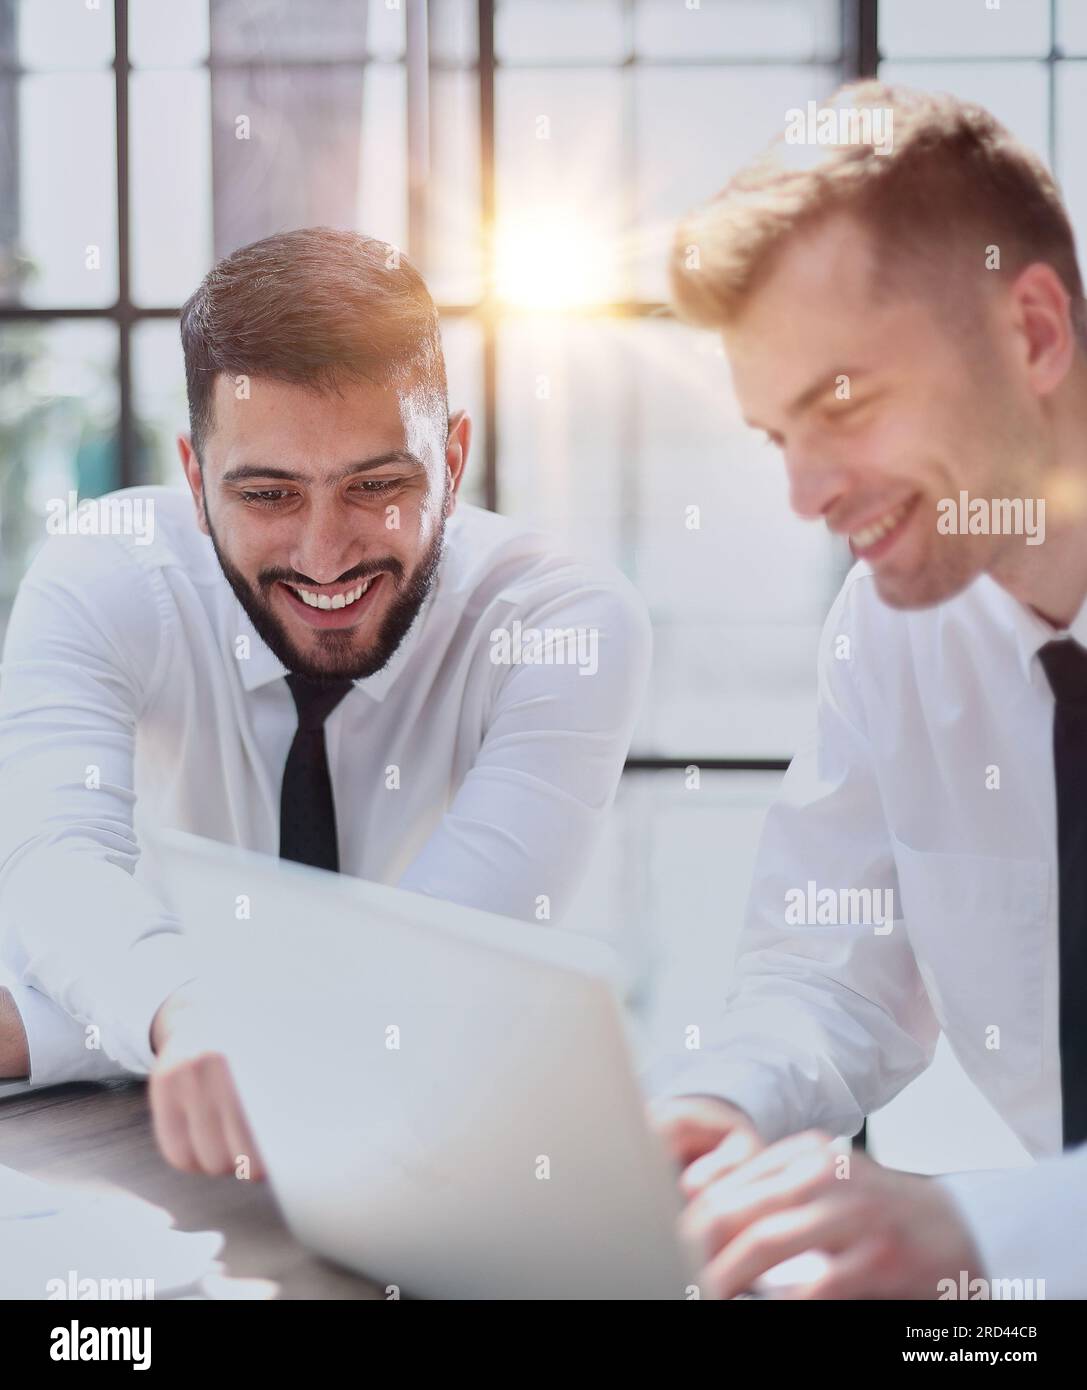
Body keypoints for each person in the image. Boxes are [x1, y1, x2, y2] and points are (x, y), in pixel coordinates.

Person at [0, 227, 651, 1180]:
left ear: (455, 456)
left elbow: (429, 976)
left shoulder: (563, 623)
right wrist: (178, 1014)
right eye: (267, 494)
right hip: (137, 1148)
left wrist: (76, 1016)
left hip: (438, 1145)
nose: (325, 554)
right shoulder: (104, 576)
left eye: (377, 486)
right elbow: (55, 864)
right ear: (192, 478)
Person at [650, 82, 1087, 1299]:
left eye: (841, 401)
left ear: (1033, 333)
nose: (806, 496)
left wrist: (990, 1234)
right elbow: (826, 964)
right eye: (774, 433)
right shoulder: (895, 627)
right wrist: (714, 1104)